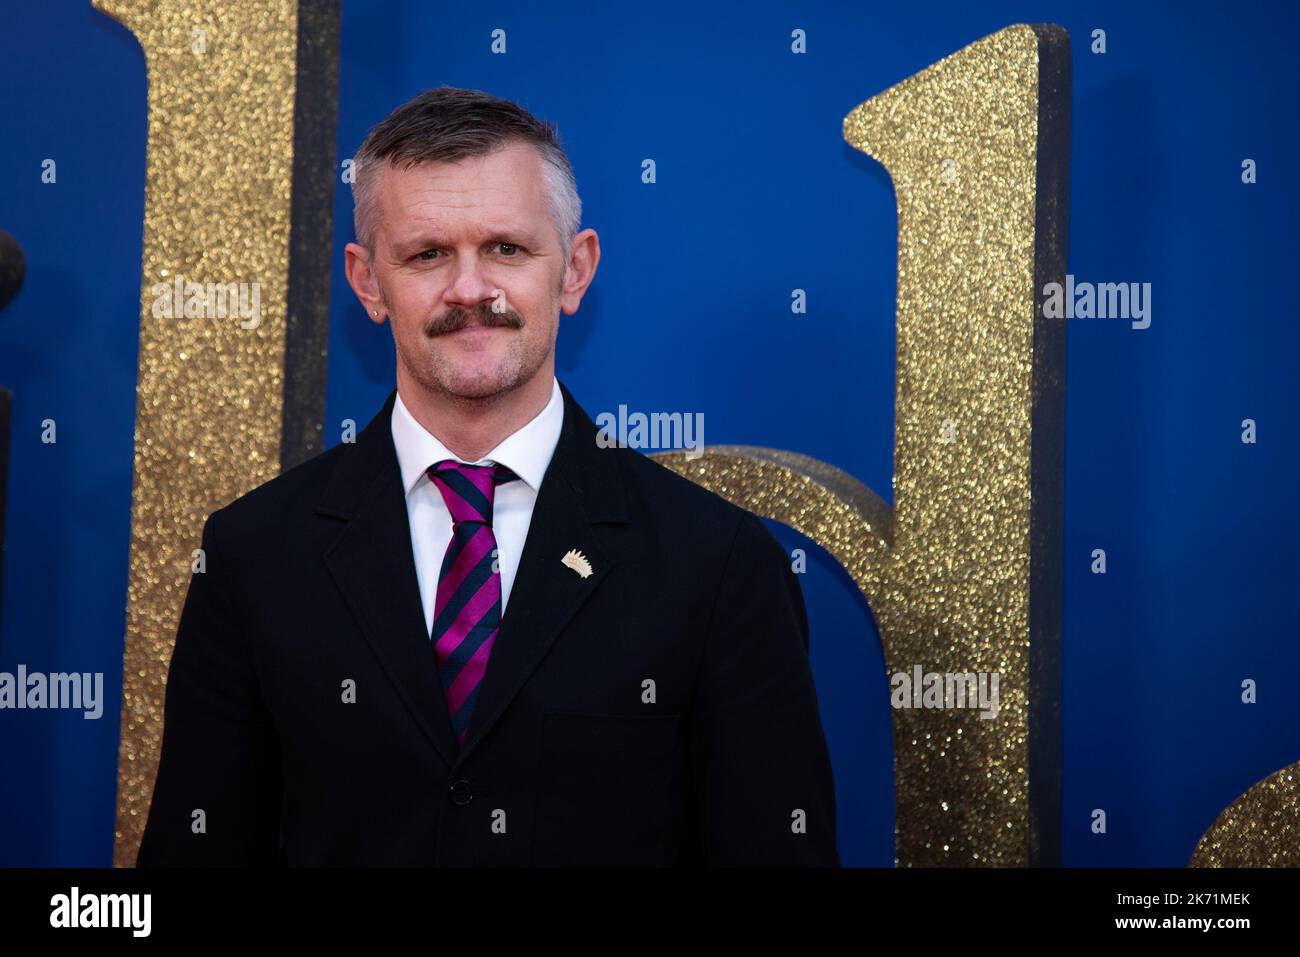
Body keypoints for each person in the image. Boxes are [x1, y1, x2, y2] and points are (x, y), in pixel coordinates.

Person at [137, 86, 838, 866]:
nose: (471, 289)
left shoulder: (719, 563)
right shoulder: (253, 554)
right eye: (427, 254)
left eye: (506, 247)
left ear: (574, 271)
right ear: (368, 283)